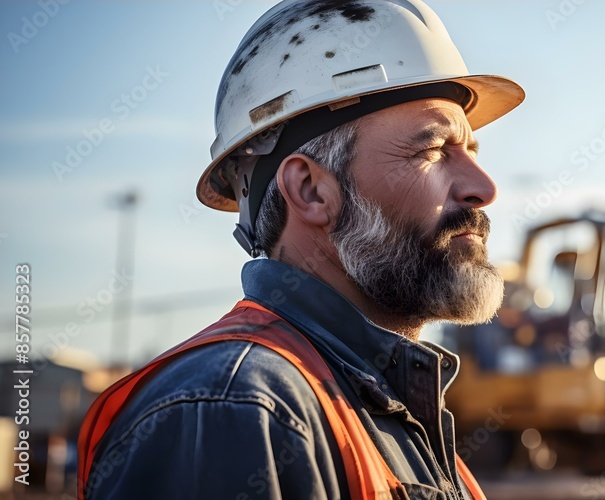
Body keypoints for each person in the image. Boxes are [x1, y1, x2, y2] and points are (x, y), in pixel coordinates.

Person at [76, 0, 524, 498]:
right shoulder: (234, 410)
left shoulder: (406, 426)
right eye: (433, 150)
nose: (483, 187)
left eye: (472, 152)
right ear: (311, 191)